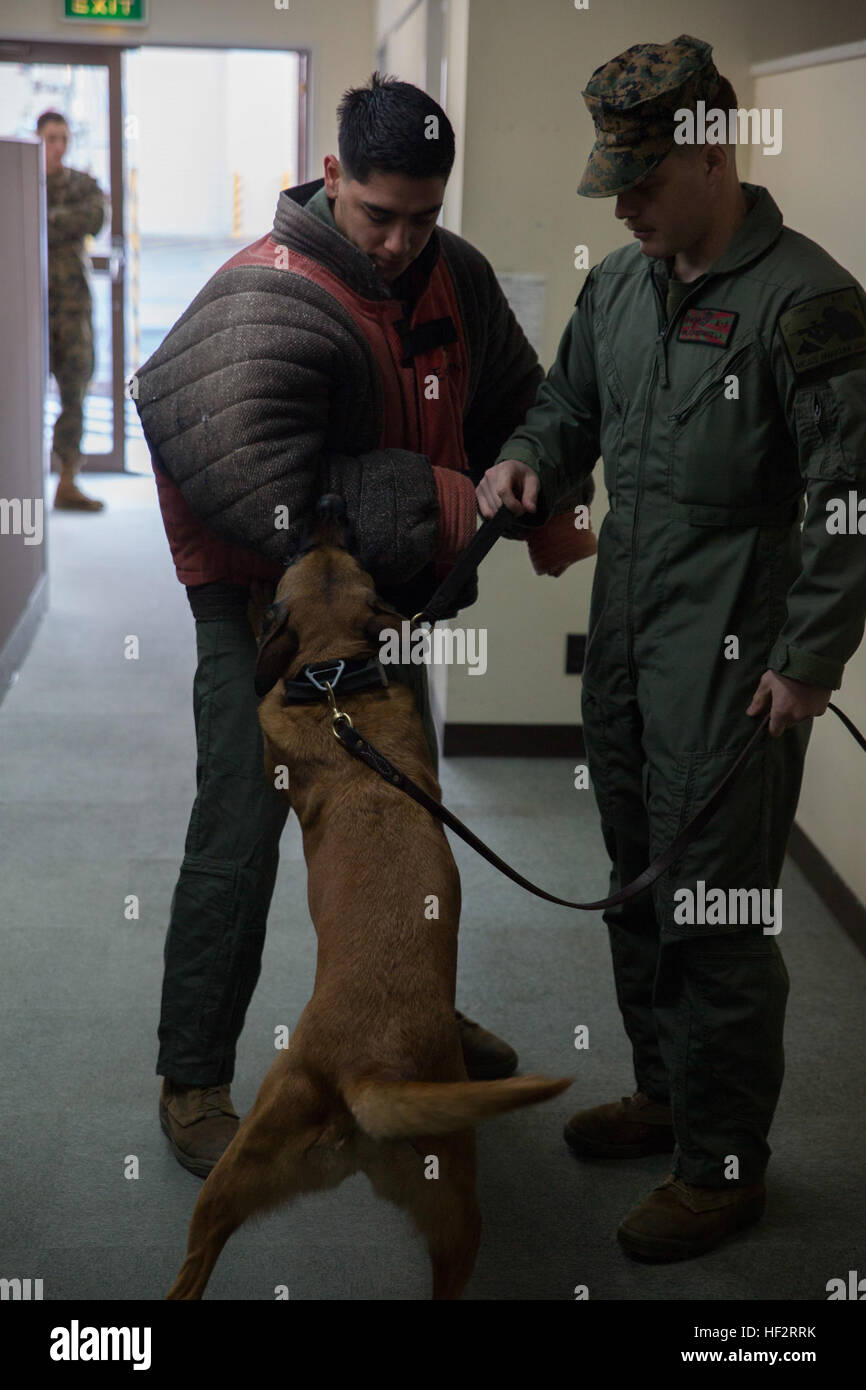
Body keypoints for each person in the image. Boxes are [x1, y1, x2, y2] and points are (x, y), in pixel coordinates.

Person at [133, 73, 596, 1177]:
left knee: (400, 826)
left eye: (422, 217)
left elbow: (518, 402)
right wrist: (446, 499)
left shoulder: (454, 274)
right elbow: (272, 498)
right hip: (262, 610)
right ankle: (193, 1079)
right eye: (378, 214)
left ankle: (417, 1023)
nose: (398, 242)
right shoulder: (264, 295)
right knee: (240, 834)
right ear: (332, 174)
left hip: (377, 608)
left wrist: (536, 481)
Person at [479, 34, 866, 1261]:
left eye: (641, 180)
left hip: (735, 671)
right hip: (626, 651)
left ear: (710, 153)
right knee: (635, 889)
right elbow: (566, 407)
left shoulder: (805, 302)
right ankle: (665, 1096)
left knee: (715, 917)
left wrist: (808, 657)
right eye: (613, 181)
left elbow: (848, 497)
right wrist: (529, 459)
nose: (623, 206)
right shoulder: (618, 286)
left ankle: (721, 1167)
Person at [37, 110, 107, 512]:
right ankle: (19, 480)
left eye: (64, 138)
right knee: (20, 393)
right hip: (29, 307)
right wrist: (62, 221)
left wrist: (48, 219)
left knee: (75, 390)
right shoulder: (20, 184)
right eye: (51, 138)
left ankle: (67, 481)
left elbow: (95, 218)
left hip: (72, 307)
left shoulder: (82, 184)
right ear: (38, 139)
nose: (58, 146)